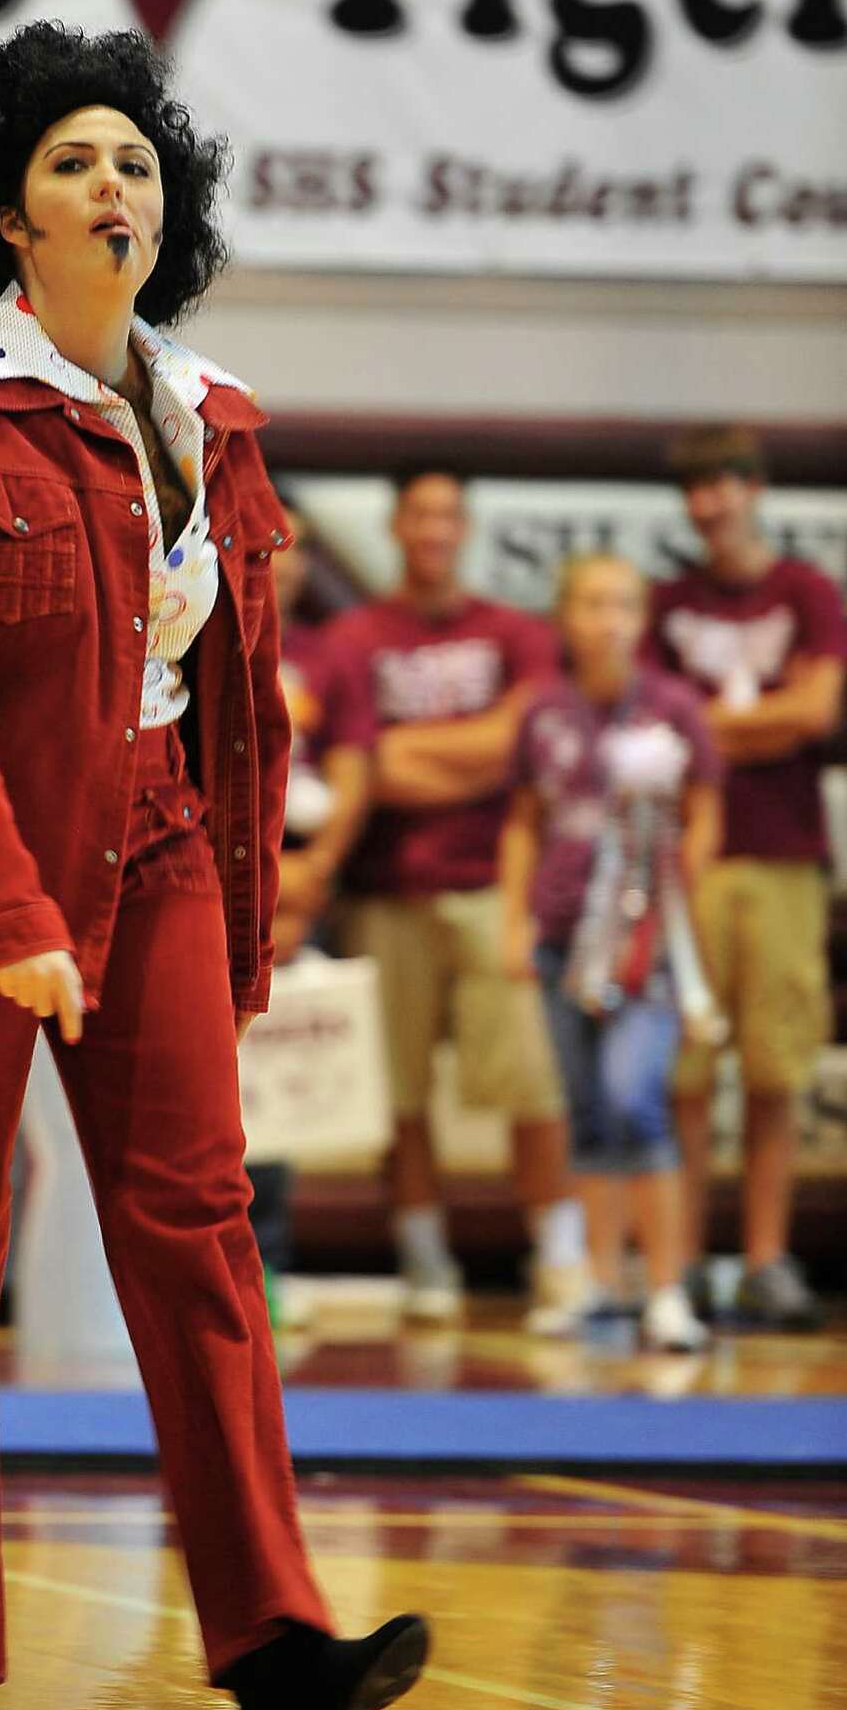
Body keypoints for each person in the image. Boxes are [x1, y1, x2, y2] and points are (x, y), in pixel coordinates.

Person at [0, 21, 428, 1710]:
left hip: (150, 848)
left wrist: (238, 906)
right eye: (74, 162)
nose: (113, 187)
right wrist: (11, 913)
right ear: (10, 217)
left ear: (167, 215)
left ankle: (277, 1645)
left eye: (137, 165)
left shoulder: (214, 418)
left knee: (201, 1222)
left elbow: (245, 697)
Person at [322, 469, 587, 1329]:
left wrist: (411, 754)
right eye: (420, 513)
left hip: (493, 890)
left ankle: (560, 1257)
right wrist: (470, 755)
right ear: (396, 524)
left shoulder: (515, 632)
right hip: (387, 891)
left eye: (448, 514)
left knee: (531, 1085)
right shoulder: (355, 637)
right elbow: (365, 768)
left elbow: (523, 740)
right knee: (397, 1094)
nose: (434, 528)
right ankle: (426, 1258)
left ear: (465, 526)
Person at [647, 426, 847, 1330]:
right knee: (686, 1071)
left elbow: (816, 710)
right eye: (695, 486)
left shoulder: (806, 591)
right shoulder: (668, 601)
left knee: (774, 1067)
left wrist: (709, 727)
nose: (711, 501)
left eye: (725, 481)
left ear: (756, 489)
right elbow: (655, 726)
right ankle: (682, 1260)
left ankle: (767, 1258)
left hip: (783, 857)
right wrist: (764, 716)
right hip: (689, 859)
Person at [500, 554, 723, 1350]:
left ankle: (666, 1288)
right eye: (592, 604)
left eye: (624, 604)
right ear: (565, 616)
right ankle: (599, 1281)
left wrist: (670, 898)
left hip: (643, 946)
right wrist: (515, 919)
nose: (608, 621)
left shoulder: (671, 708)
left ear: (643, 618)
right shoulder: (543, 711)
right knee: (588, 1110)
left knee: (636, 1099)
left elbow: (705, 809)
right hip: (564, 938)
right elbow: (524, 819)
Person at [244, 499, 372, 1328]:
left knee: (278, 1084)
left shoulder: (331, 656)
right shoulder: (204, 628)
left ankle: (269, 1261)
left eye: (294, 546)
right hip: (223, 874)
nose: (282, 559)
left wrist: (314, 873)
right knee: (210, 1080)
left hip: (300, 882)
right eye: (269, 540)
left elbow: (357, 767)